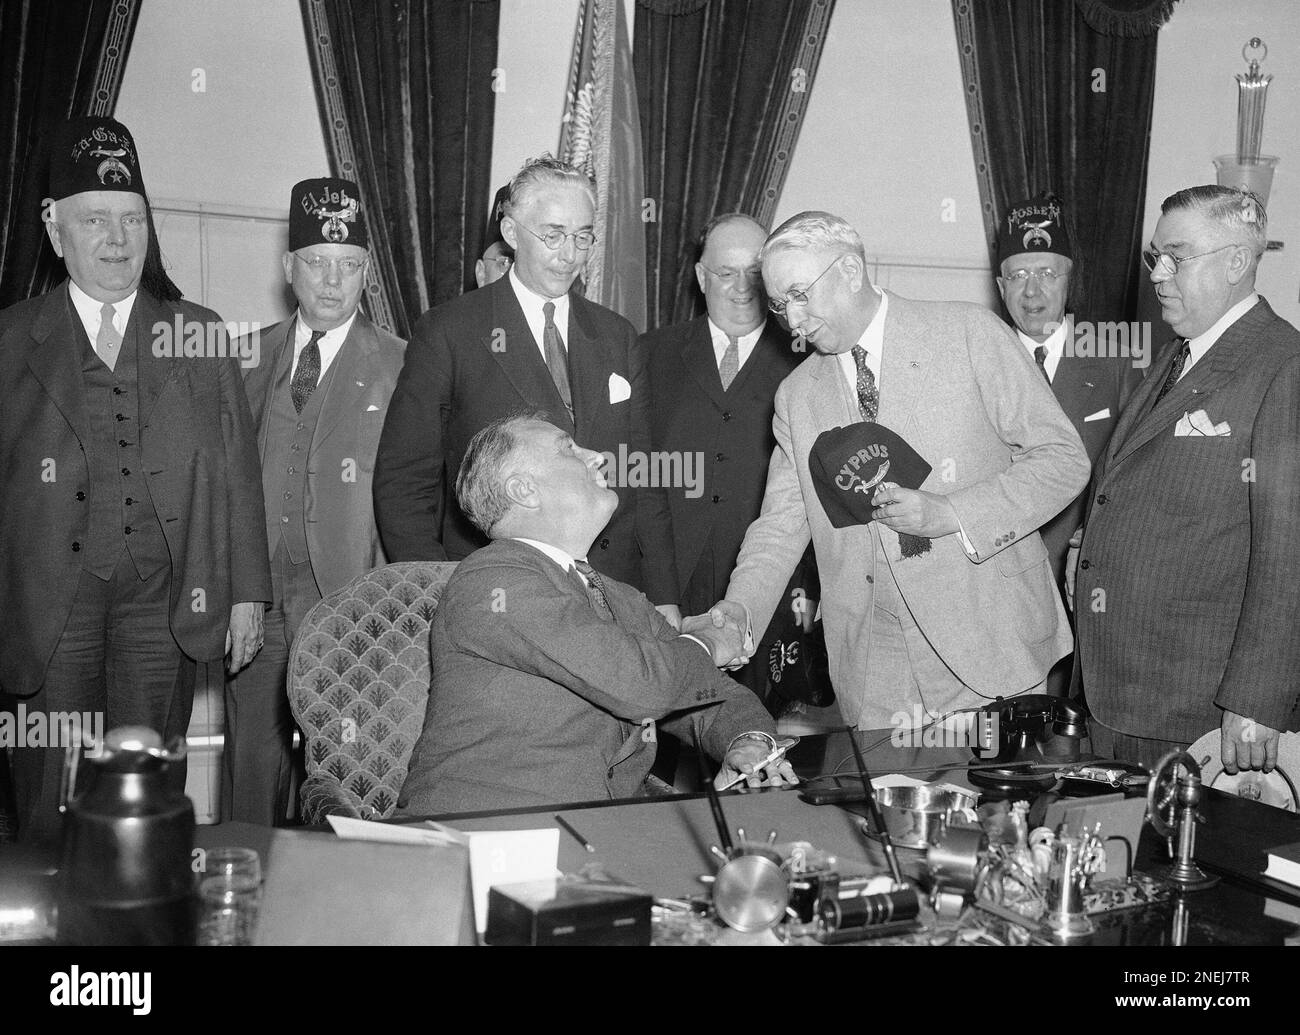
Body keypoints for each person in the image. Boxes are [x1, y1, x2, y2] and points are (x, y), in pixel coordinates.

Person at [691, 211, 1091, 732]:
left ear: (851, 272)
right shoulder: (796, 396)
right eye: (779, 303)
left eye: (800, 294)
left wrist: (953, 513)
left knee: (993, 813)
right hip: (874, 665)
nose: (791, 319)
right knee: (887, 812)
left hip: (987, 637)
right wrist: (740, 611)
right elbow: (781, 525)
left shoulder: (968, 332)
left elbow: (1063, 458)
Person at [0, 116, 270, 844]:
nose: (117, 240)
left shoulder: (199, 333)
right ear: (56, 230)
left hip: (165, 601)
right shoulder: (9, 340)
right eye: (96, 221)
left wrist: (247, 588)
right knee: (53, 795)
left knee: (146, 792)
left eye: (132, 220)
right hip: (51, 609)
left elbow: (235, 469)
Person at [397, 414, 795, 814]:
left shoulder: (622, 600)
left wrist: (748, 741)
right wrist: (711, 640)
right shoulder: (492, 581)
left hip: (600, 838)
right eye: (568, 448)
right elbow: (641, 681)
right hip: (481, 836)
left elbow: (705, 690)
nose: (600, 458)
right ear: (523, 490)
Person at [374, 156, 678, 622]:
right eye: (553, 235)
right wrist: (435, 592)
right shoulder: (450, 331)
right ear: (512, 233)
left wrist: (663, 596)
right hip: (499, 593)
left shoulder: (617, 335)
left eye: (582, 237)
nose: (570, 255)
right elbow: (405, 481)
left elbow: (644, 476)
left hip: (612, 591)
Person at [1073, 185, 1300, 770]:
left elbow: (1289, 553)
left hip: (1199, 705)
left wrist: (1257, 700)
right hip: (1121, 690)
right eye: (1156, 257)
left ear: (1236, 261)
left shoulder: (1284, 366)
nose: (1158, 274)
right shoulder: (1177, 356)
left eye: (1177, 256)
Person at [224, 177, 406, 825]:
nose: (333, 282)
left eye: (349, 266)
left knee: (344, 783)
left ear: (367, 273)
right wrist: (234, 591)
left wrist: (390, 614)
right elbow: (224, 486)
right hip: (259, 606)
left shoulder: (401, 365)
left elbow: (409, 500)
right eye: (317, 264)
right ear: (288, 268)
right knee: (249, 779)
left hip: (351, 609)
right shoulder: (245, 357)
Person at [644, 213, 817, 710]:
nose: (742, 287)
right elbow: (632, 469)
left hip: (772, 585)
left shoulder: (808, 358)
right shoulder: (649, 354)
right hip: (667, 581)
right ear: (701, 277)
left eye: (755, 273)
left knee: (757, 727)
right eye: (726, 272)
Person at [994, 193, 1142, 694]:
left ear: (1069, 280)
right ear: (1000, 286)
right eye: (1017, 276)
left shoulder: (1116, 359)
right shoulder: (978, 357)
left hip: (1080, 589)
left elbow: (1133, 477)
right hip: (993, 585)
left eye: (1048, 274)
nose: (1032, 291)